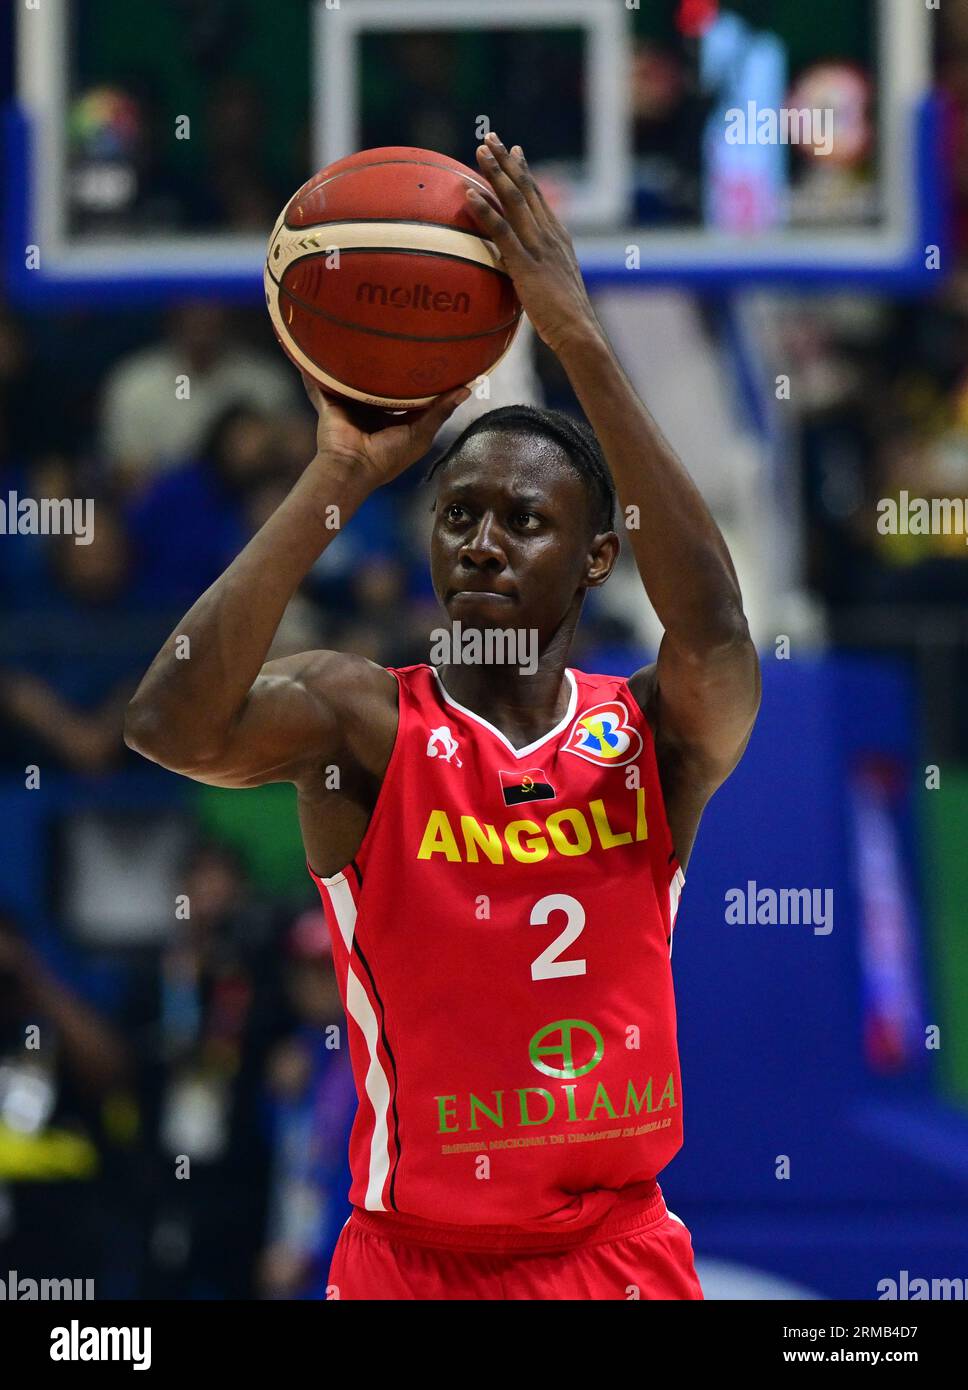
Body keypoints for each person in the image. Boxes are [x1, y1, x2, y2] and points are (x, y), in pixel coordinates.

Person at [125, 133, 761, 1300]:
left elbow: (716, 628)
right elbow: (169, 722)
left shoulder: (651, 740)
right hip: (413, 1266)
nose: (480, 538)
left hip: (609, 1255)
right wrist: (337, 474)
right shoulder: (356, 723)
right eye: (458, 514)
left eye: (523, 519)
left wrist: (572, 334)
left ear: (593, 561)